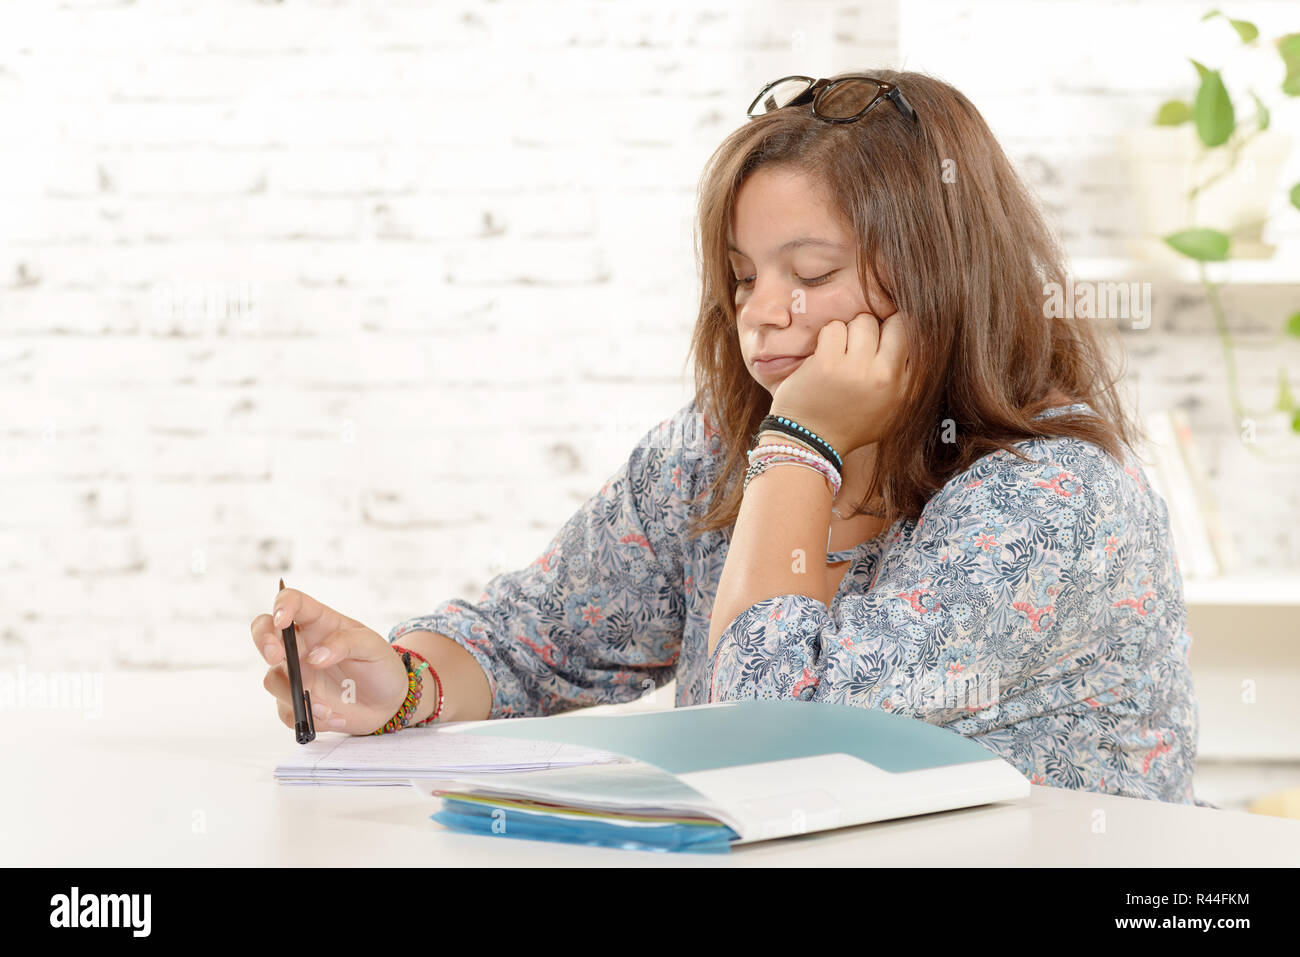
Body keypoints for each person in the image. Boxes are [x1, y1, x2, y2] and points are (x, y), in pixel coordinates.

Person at [252, 70, 1209, 806]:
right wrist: (403, 683)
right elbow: (538, 636)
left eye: (813, 270)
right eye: (745, 276)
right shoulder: (711, 453)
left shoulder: (1054, 501)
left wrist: (800, 445)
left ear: (942, 277)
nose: (763, 318)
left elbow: (774, 740)